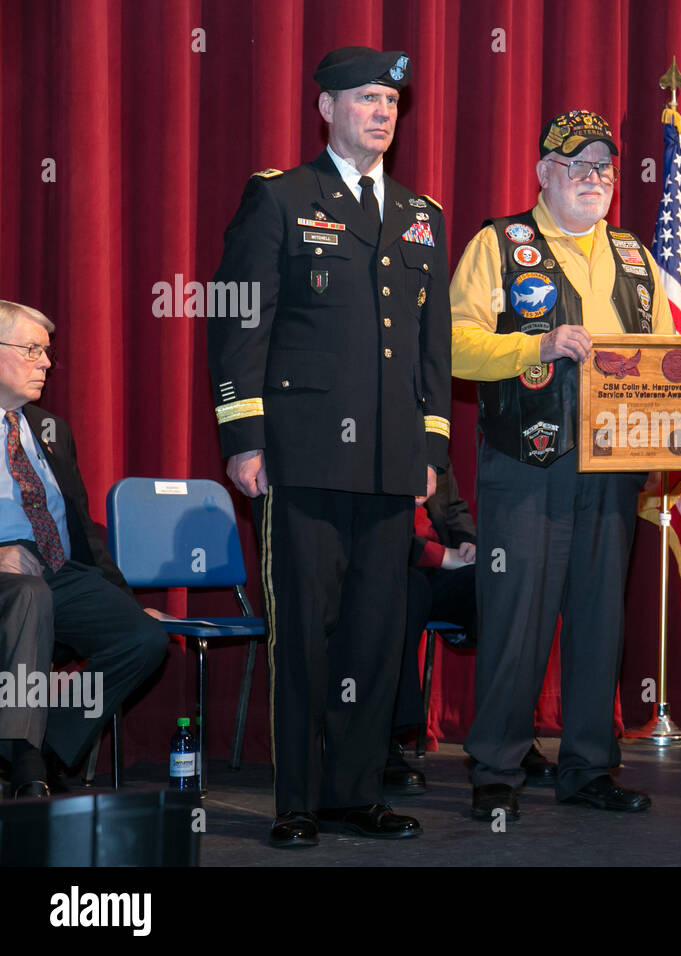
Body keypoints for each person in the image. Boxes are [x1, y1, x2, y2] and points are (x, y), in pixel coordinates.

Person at [207, 46, 451, 847]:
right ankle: (299, 802)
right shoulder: (280, 198)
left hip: (387, 461)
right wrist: (243, 435)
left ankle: (355, 794)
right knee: (305, 633)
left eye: (391, 100)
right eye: (366, 98)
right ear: (326, 108)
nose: (382, 113)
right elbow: (240, 320)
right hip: (301, 453)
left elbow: (430, 349)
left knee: (376, 635)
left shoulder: (421, 213)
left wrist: (432, 451)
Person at [450, 109, 671, 821]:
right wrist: (533, 348)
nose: (595, 179)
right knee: (516, 618)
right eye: (578, 166)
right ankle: (495, 768)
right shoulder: (500, 244)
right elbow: (452, 345)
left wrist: (674, 439)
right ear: (545, 172)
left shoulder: (638, 258)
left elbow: (672, 361)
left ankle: (589, 766)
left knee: (600, 621)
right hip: (526, 464)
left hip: (613, 469)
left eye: (604, 168)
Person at [0, 301, 168, 797]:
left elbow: (83, 532)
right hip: (11, 581)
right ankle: (26, 762)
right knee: (30, 597)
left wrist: (126, 604)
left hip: (58, 572)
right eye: (32, 350)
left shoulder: (51, 431)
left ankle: (46, 745)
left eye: (47, 353)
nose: (46, 364)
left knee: (144, 640)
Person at [385, 464, 557, 791]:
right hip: (395, 567)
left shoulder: (432, 448)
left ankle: (505, 736)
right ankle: (386, 741)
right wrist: (439, 555)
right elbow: (371, 528)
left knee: (503, 589)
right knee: (409, 592)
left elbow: (454, 509)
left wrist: (466, 541)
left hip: (444, 567)